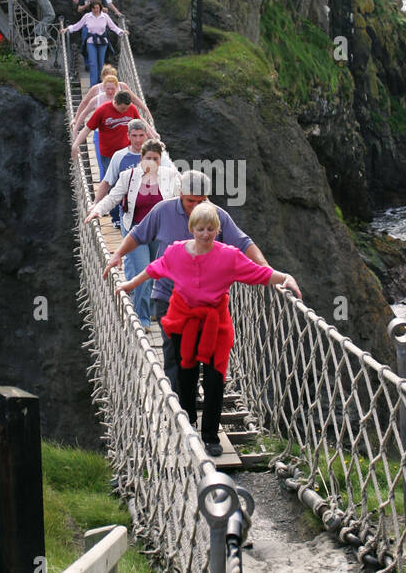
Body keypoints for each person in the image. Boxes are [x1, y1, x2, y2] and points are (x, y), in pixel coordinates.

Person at [117, 201, 301, 455]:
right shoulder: (175, 252)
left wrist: (284, 277)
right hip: (183, 320)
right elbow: (153, 270)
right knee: (186, 374)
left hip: (216, 323)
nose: (205, 234)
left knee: (215, 378)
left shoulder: (229, 256)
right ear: (191, 229)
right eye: (201, 229)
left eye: (210, 229)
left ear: (217, 230)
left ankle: (211, 436)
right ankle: (189, 421)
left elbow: (257, 273)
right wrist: (129, 285)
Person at [103, 170, 273, 394]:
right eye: (190, 200)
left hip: (206, 303)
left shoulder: (216, 216)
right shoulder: (163, 211)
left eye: (201, 201)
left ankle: (193, 402)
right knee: (174, 354)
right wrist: (117, 254)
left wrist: (266, 268)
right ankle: (179, 407)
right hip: (167, 297)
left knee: (202, 353)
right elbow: (138, 234)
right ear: (180, 193)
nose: (195, 205)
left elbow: (243, 243)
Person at [88, 140, 179, 326]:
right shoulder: (128, 176)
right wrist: (98, 209)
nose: (151, 162)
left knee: (159, 274)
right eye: (148, 158)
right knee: (142, 272)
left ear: (161, 160)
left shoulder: (170, 176)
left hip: (161, 233)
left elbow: (182, 200)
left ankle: (153, 310)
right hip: (137, 232)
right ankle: (142, 319)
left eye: (155, 159)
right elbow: (113, 197)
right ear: (141, 158)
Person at [71, 85, 137, 177]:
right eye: (123, 109)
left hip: (126, 152)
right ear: (116, 102)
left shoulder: (131, 108)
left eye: (127, 108)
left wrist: (154, 139)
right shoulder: (102, 110)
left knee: (128, 179)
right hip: (108, 155)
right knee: (111, 181)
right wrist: (75, 144)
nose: (125, 110)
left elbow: (142, 125)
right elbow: (87, 129)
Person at [67, 0, 125, 90]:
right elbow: (78, 25)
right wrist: (67, 29)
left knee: (101, 63)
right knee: (93, 63)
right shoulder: (87, 16)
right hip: (91, 42)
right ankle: (93, 86)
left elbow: (113, 26)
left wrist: (121, 31)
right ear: (91, 8)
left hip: (102, 42)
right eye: (93, 8)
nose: (95, 10)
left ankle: (101, 83)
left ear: (100, 7)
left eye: (97, 7)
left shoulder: (105, 16)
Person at [74, 65, 150, 131]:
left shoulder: (122, 86)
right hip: (103, 123)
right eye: (107, 76)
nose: (110, 79)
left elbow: (134, 99)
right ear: (102, 77)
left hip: (120, 122)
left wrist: (145, 109)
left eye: (113, 76)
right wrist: (76, 119)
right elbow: (84, 104)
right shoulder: (96, 89)